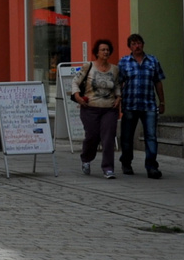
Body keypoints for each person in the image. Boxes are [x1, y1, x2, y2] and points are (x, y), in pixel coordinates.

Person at [116, 33, 166, 179]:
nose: (136, 46)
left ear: (143, 44)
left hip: (148, 105)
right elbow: (119, 83)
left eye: (138, 43)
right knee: (127, 136)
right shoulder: (124, 62)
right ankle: (126, 162)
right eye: (133, 44)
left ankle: (151, 166)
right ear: (129, 47)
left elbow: (158, 82)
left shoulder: (153, 61)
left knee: (151, 136)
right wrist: (118, 100)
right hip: (130, 104)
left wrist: (162, 102)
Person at [71, 38, 122, 178]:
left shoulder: (115, 69)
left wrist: (118, 98)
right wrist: (77, 96)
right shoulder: (89, 67)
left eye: (107, 50)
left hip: (109, 109)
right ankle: (86, 159)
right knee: (92, 136)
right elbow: (75, 81)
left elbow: (117, 85)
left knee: (108, 138)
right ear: (97, 53)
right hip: (90, 108)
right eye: (102, 50)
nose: (105, 52)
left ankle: (108, 168)